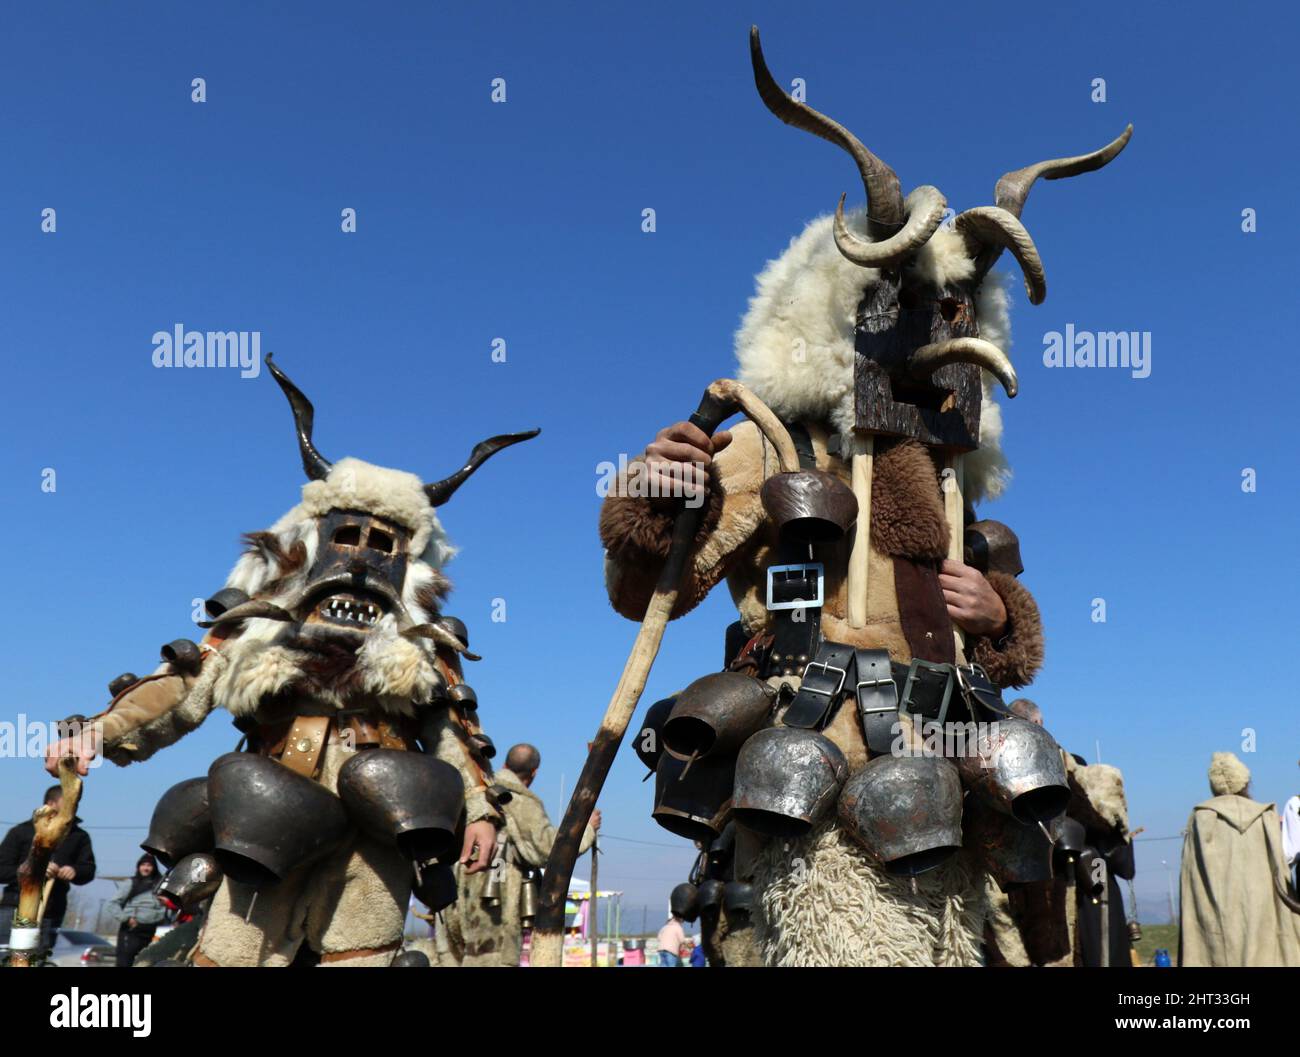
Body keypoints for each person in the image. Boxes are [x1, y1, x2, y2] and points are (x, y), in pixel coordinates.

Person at [42, 356, 530, 965]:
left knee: (363, 957)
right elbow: (184, 687)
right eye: (346, 537)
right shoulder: (256, 625)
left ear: (410, 561)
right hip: (264, 821)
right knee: (233, 953)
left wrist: (481, 813)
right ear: (311, 542)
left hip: (375, 836)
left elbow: (453, 730)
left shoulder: (421, 647)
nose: (360, 559)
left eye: (384, 544)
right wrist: (100, 729)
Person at [447, 743, 599, 966]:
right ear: (534, 772)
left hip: (456, 888)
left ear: (505, 765)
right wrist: (588, 829)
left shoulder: (476, 790)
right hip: (495, 897)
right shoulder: (519, 800)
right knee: (491, 958)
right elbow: (549, 849)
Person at [1179, 752, 1300, 966]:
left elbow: (1191, 878)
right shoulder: (1265, 815)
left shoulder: (1200, 818)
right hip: (1263, 911)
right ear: (1245, 782)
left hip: (1215, 915)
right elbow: (1280, 867)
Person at [0, 784, 96, 956]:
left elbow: (88, 869)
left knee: (38, 958)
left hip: (50, 912)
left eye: (76, 803)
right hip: (15, 908)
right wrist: (31, 870)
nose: (73, 807)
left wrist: (74, 871)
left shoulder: (79, 837)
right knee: (9, 956)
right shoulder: (21, 832)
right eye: (68, 802)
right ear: (50, 804)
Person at [107, 854, 166, 966]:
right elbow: (112, 904)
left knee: (144, 963)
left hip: (150, 931)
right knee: (124, 962)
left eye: (149, 865)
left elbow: (167, 907)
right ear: (138, 867)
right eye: (143, 865)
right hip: (131, 930)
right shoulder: (131, 883)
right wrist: (126, 919)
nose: (146, 868)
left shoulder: (160, 885)